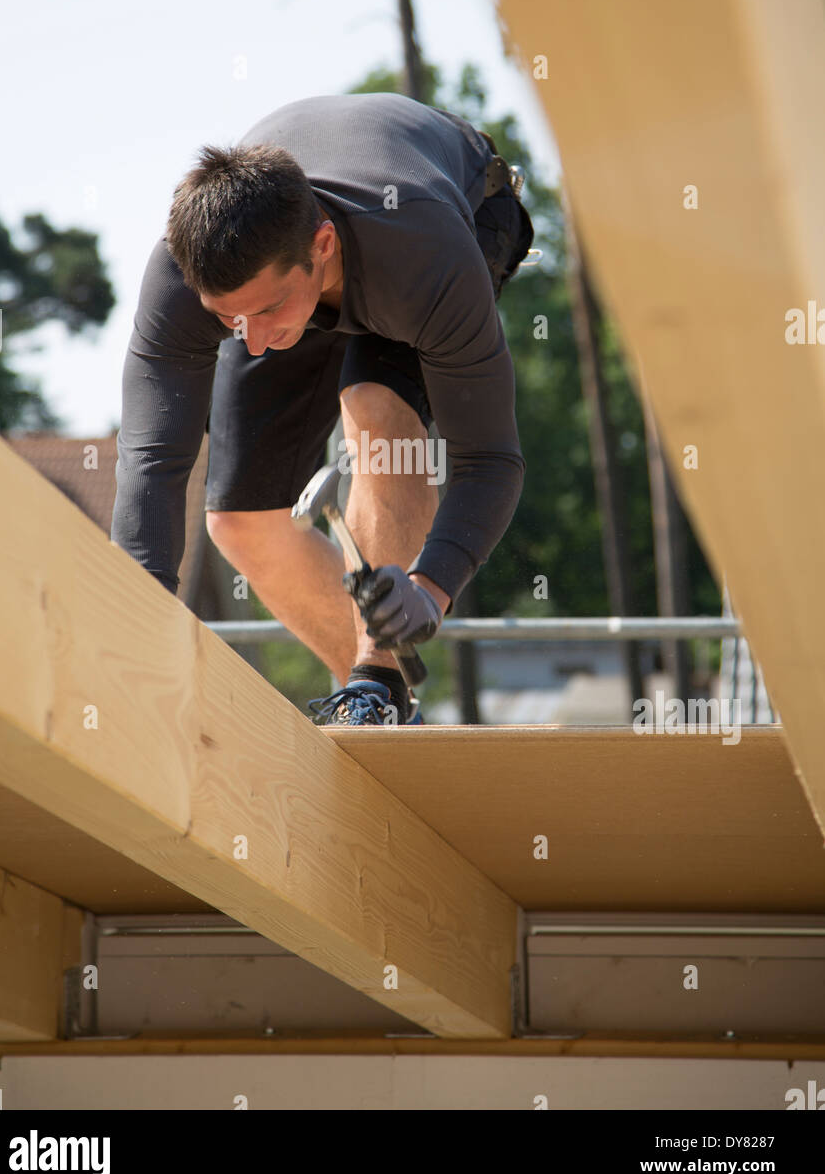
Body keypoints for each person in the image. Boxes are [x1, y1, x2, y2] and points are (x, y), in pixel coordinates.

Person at [111, 91, 532, 725]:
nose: (249, 339)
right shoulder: (181, 277)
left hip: (459, 204)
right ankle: (374, 700)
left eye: (267, 309)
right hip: (316, 241)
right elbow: (152, 462)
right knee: (241, 519)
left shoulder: (429, 260)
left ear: (323, 246)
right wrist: (138, 631)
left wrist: (429, 587)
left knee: (375, 413)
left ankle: (377, 685)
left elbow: (491, 460)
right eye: (228, 317)